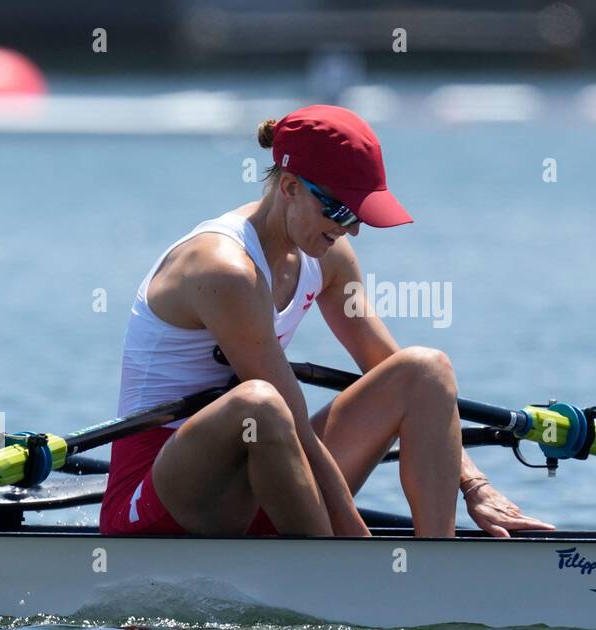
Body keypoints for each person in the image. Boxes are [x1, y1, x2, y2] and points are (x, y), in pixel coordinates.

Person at [100, 104, 550, 539]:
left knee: (425, 370)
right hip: (160, 495)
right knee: (260, 402)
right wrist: (355, 542)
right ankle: (339, 570)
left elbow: (386, 366)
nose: (351, 229)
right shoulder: (224, 268)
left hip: (265, 476)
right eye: (339, 210)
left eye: (359, 214)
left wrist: (475, 484)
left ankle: (436, 559)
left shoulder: (327, 257)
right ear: (290, 187)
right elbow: (290, 414)